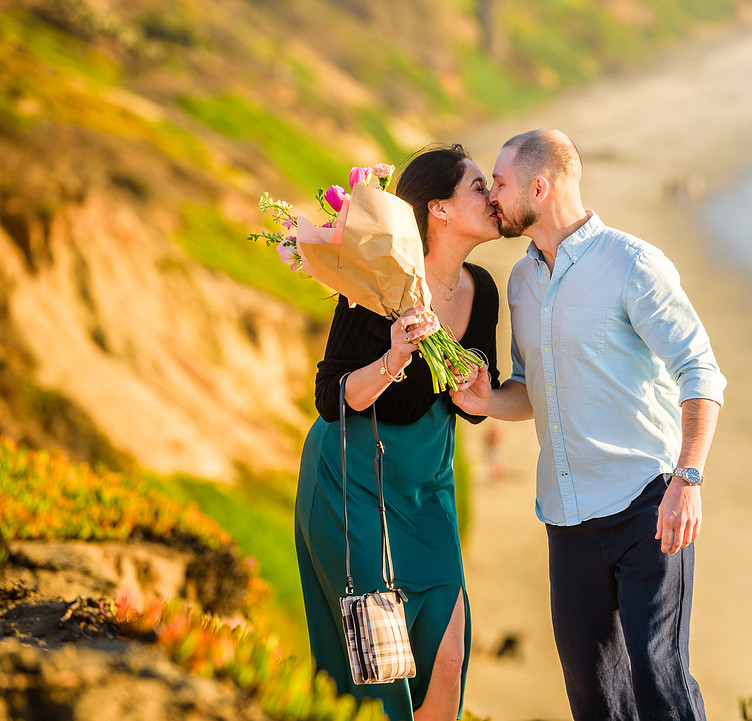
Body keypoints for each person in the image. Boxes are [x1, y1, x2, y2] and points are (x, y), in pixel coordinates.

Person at [452, 129, 726, 720]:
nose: (492, 195)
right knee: (593, 698)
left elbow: (701, 373)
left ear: (540, 187)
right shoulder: (522, 282)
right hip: (566, 522)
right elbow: (529, 392)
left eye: (500, 183)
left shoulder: (633, 264)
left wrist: (689, 479)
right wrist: (486, 401)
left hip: (646, 508)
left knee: (659, 681)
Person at [295, 144, 502, 721]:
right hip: (353, 488)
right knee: (379, 668)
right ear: (438, 208)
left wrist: (476, 390)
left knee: (449, 652)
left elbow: (474, 405)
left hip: (428, 491)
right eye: (479, 186)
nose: (493, 197)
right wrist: (394, 358)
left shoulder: (480, 289)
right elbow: (332, 399)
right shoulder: (376, 282)